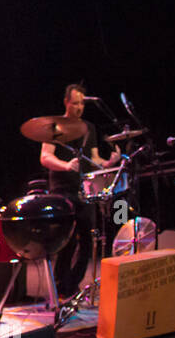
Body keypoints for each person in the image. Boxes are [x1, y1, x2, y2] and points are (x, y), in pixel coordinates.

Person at [39, 83, 119, 301]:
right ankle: (60, 285)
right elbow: (45, 156)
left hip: (84, 189)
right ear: (66, 103)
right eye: (75, 103)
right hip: (62, 189)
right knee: (68, 239)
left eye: (82, 103)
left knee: (88, 240)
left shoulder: (89, 128)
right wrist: (65, 166)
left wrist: (109, 162)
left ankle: (71, 285)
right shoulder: (55, 126)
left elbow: (93, 160)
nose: (79, 107)